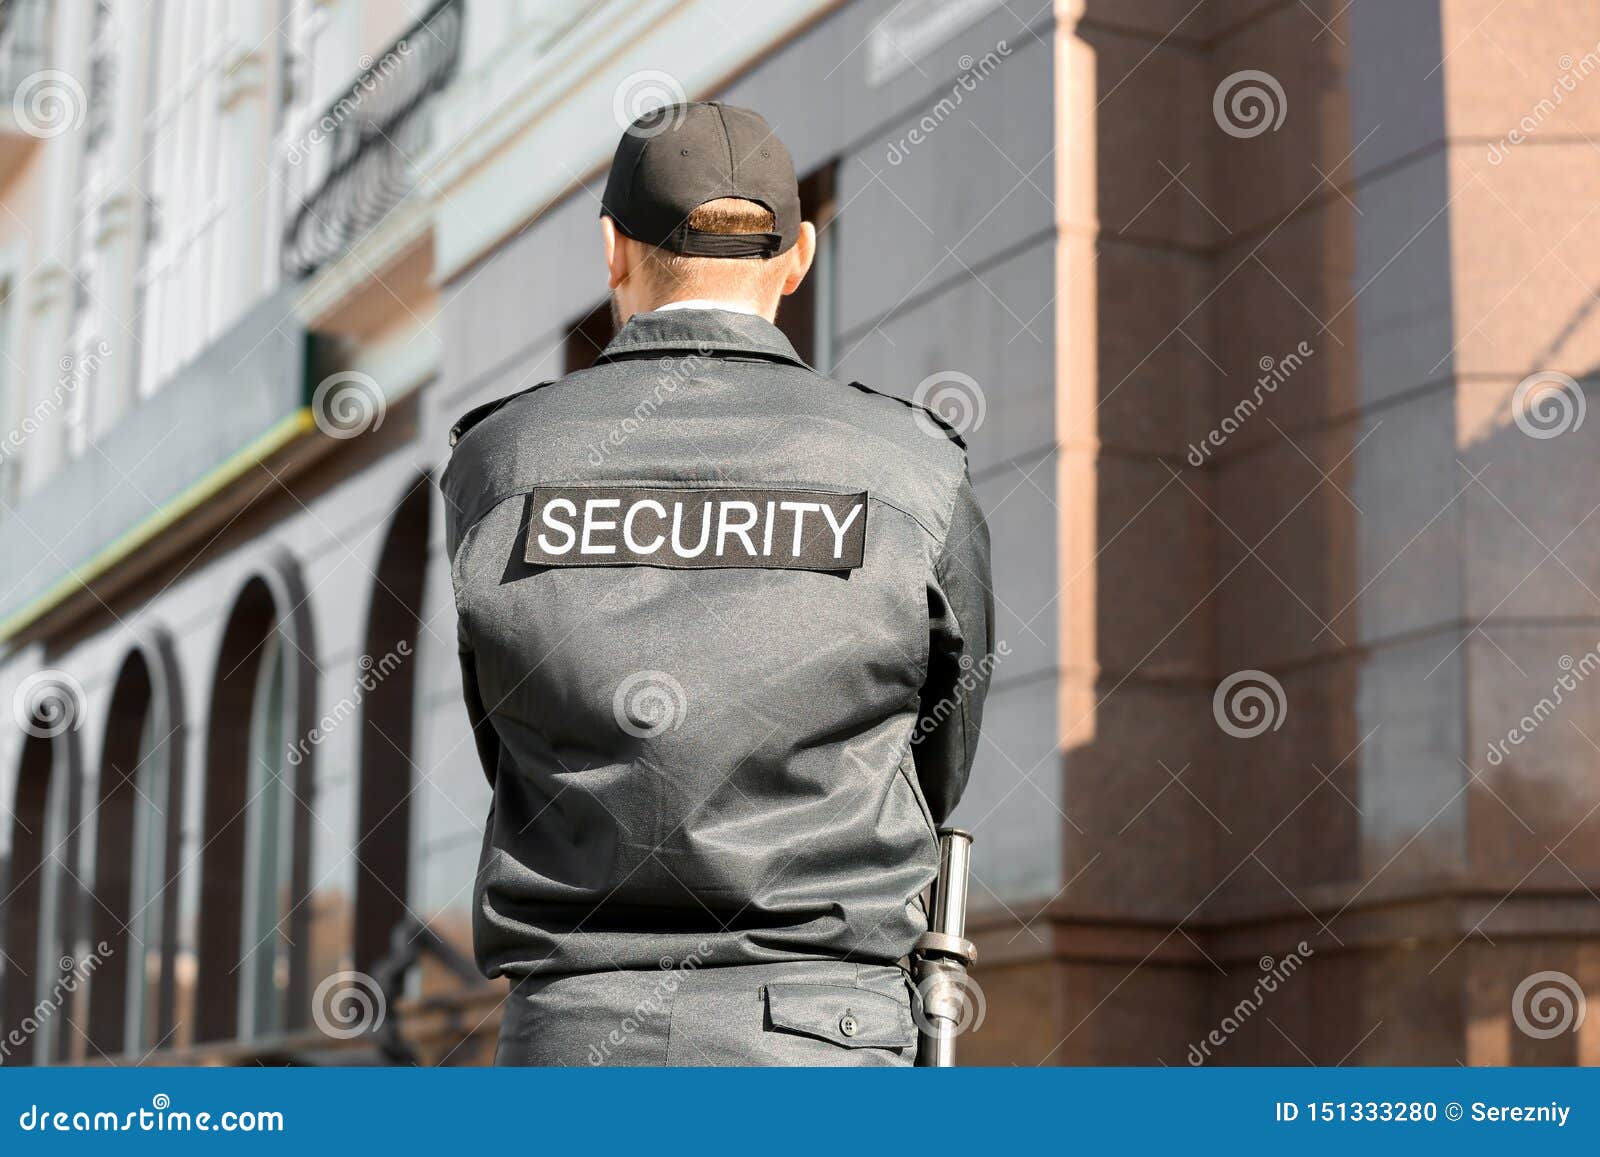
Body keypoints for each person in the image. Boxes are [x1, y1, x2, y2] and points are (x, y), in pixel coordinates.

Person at [441, 101, 994, 1066]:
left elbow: (509, 737)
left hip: (570, 1040)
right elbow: (939, 751)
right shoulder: (911, 465)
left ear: (612, 250)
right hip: (827, 1036)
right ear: (800, 254)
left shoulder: (499, 461)